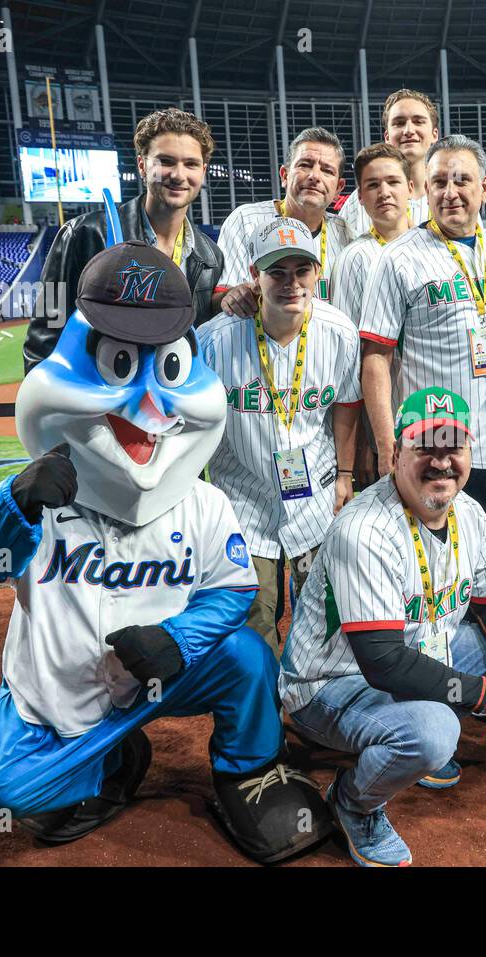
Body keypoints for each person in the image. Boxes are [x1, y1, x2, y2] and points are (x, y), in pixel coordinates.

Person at [0, 240, 331, 863]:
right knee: (8, 794)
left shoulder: (203, 503)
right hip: (66, 689)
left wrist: (179, 638)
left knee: (247, 657)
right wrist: (13, 500)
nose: (149, 405)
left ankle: (250, 771)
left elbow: (232, 590)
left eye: (169, 371)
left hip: (162, 673)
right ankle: (113, 758)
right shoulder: (41, 494)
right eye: (121, 366)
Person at [279, 387, 486, 867]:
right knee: (434, 733)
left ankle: (408, 730)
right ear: (396, 452)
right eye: (427, 446)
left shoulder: (468, 513)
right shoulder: (364, 530)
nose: (442, 462)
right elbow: (382, 662)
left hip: (416, 658)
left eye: (455, 446)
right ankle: (353, 801)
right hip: (333, 684)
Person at [198, 218, 361, 654]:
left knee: (323, 613)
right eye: (277, 272)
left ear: (317, 271)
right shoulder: (213, 340)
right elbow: (194, 422)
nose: (291, 283)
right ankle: (266, 715)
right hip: (243, 502)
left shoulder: (340, 332)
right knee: (254, 620)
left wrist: (345, 474)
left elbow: (346, 404)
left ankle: (314, 706)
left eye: (301, 270)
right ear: (254, 274)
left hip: (314, 500)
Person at [359, 134, 486, 531]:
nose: (450, 193)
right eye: (439, 182)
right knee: (439, 570)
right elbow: (375, 359)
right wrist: (387, 447)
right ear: (425, 189)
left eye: (462, 180)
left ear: (483, 188)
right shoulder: (398, 258)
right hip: (438, 452)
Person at [23, 107, 225, 372]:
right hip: (100, 403)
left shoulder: (210, 257)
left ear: (203, 170)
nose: (178, 175)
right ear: (142, 165)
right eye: (165, 161)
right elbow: (44, 335)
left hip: (169, 404)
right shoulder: (83, 235)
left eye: (190, 164)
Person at [331, 143, 418, 486]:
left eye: (393, 182)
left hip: (433, 406)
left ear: (411, 188)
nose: (384, 192)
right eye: (372, 185)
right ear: (360, 198)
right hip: (385, 419)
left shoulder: (433, 246)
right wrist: (365, 441)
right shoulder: (355, 258)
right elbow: (349, 359)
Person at [215, 127, 354, 308]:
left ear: (338, 189)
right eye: (305, 165)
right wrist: (231, 298)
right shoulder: (246, 220)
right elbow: (217, 303)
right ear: (284, 176)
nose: (314, 176)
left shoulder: (347, 234)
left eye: (327, 170)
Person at [337, 89, 439, 237]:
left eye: (418, 122)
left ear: (434, 134)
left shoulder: (448, 195)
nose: (409, 130)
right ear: (387, 136)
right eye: (399, 123)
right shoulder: (360, 200)